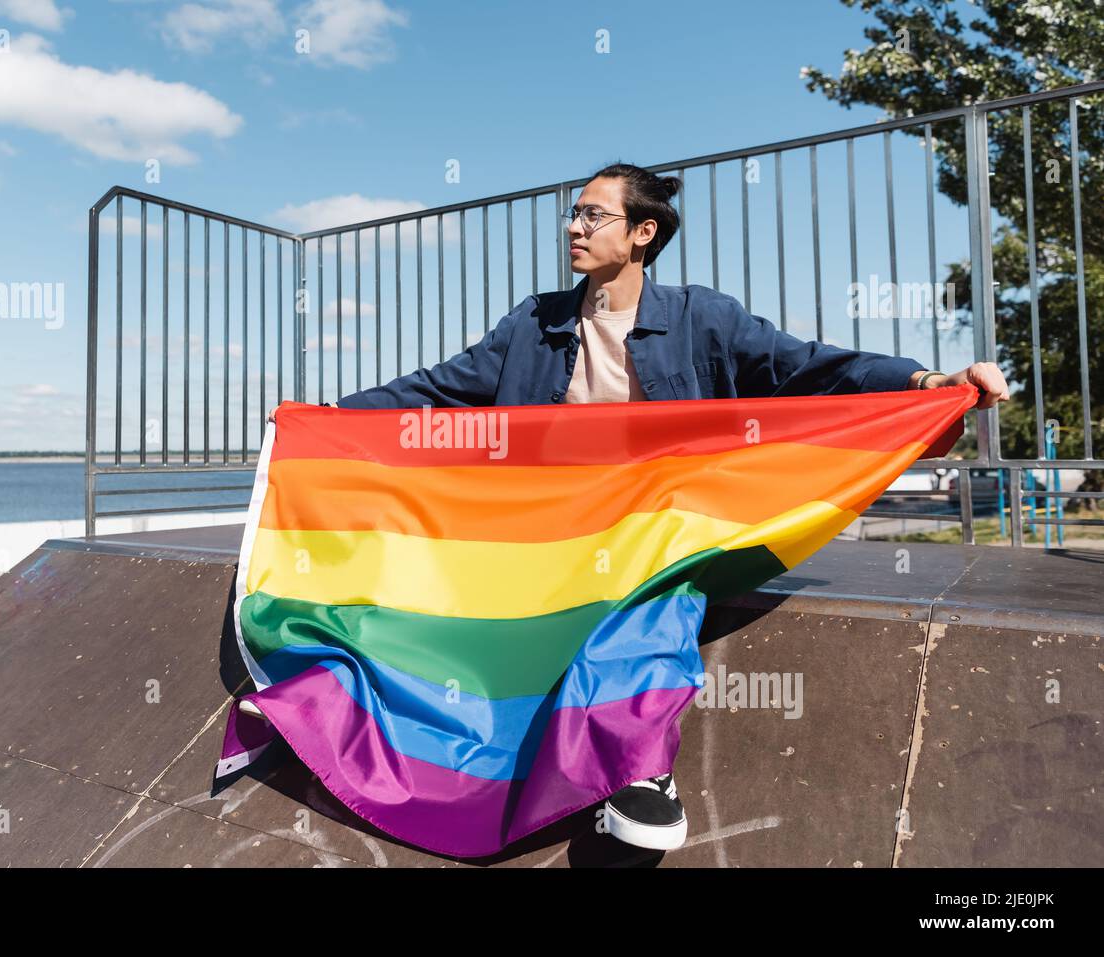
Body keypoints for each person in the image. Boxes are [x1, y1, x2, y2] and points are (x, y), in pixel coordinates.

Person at [269, 161, 1009, 852]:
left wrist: (927, 379)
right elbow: (437, 389)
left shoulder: (702, 318)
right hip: (550, 528)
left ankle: (636, 768)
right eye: (573, 215)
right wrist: (326, 415)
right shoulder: (534, 322)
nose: (574, 227)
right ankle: (324, 709)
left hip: (665, 524)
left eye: (593, 215)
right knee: (418, 577)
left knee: (658, 591)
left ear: (642, 233)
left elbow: (806, 364)